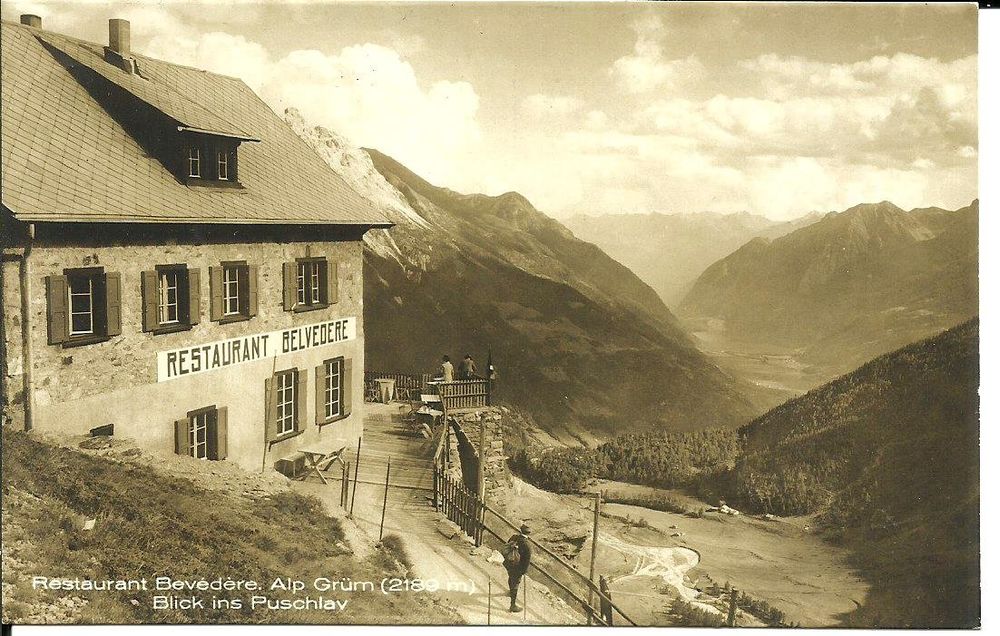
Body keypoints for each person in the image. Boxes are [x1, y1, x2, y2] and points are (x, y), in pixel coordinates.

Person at [502, 523, 532, 612]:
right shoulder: (527, 545)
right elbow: (527, 560)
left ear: (521, 531)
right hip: (518, 567)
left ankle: (510, 591)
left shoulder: (514, 537)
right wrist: (524, 571)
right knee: (516, 583)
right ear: (529, 533)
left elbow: (507, 545)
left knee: (511, 577)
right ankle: (513, 605)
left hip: (509, 563)